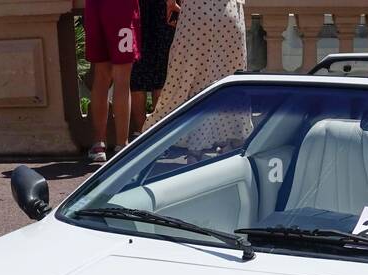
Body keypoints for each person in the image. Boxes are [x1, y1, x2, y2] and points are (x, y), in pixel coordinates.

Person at [147, 0, 250, 155]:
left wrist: (170, 3)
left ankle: (189, 142)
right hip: (231, 13)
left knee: (188, 76)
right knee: (230, 75)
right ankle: (233, 137)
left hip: (197, 11)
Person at [85, 0, 141, 163]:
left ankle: (98, 144)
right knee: (122, 78)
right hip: (122, 7)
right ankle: (122, 145)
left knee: (101, 75)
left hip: (94, 6)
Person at [129, 0, 177, 137]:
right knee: (161, 74)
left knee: (138, 74)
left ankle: (141, 133)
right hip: (162, 8)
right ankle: (159, 133)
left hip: (138, 8)